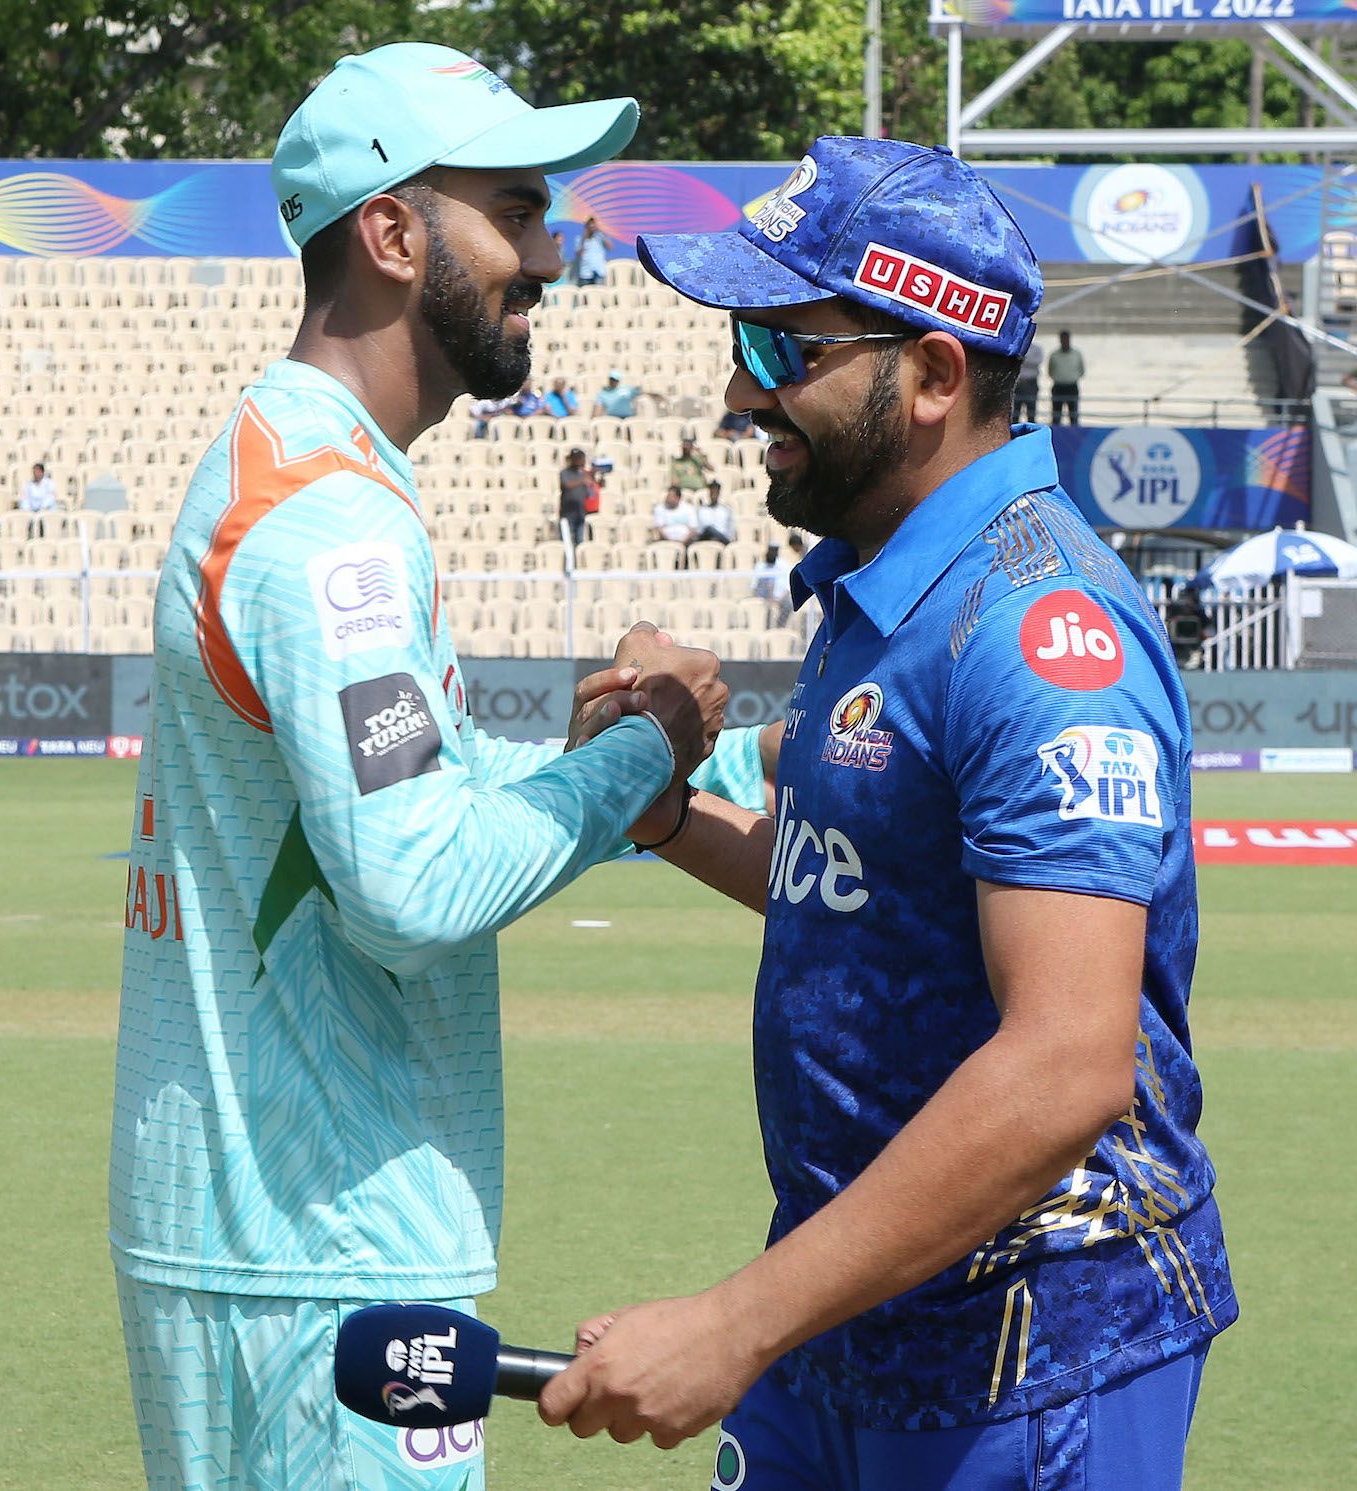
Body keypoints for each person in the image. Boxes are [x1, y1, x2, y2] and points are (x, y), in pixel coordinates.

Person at [107, 44, 774, 1491]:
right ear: (395, 235)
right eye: (517, 210)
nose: (551, 251)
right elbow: (410, 884)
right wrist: (644, 758)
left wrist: (615, 766)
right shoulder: (333, 526)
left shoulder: (289, 461)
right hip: (319, 1250)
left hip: (270, 1238)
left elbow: (410, 801)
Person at [538, 135, 1236, 1490]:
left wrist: (731, 1323)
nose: (742, 395)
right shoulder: (889, 580)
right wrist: (668, 814)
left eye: (781, 348)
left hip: (1033, 1360)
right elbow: (860, 881)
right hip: (852, 1324)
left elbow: (1068, 1062)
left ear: (932, 372)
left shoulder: (1041, 631)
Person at [558, 445, 593, 548]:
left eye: (580, 457)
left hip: (580, 513)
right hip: (567, 513)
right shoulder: (565, 473)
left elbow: (591, 491)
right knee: (566, 543)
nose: (579, 460)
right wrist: (582, 481)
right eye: (576, 458)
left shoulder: (584, 474)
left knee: (580, 543)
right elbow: (567, 484)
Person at [749, 541, 792, 624]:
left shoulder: (783, 565)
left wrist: (778, 599)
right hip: (763, 598)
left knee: (788, 606)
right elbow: (754, 586)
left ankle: (779, 627)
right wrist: (764, 598)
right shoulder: (760, 566)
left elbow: (787, 588)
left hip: (780, 597)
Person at [1049, 328, 1084, 424]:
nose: (1065, 341)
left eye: (1066, 339)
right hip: (1058, 387)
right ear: (1060, 340)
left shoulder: (1077, 354)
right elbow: (1050, 371)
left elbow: (1081, 370)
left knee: (1073, 415)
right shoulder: (1054, 355)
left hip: (1072, 387)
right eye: (1062, 339)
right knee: (1056, 416)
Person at [694, 480, 736, 545]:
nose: (714, 494)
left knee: (710, 529)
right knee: (708, 529)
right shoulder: (701, 509)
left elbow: (730, 529)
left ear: (719, 493)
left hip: (722, 539)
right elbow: (698, 529)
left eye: (715, 492)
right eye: (712, 491)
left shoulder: (726, 510)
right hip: (704, 538)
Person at [1013, 338, 1042, 424]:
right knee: (1016, 411)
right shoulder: (1017, 348)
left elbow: (1037, 361)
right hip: (1018, 383)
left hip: (1031, 383)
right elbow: (1014, 360)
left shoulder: (1036, 349)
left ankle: (1031, 433)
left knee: (1031, 411)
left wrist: (1023, 359)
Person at [574, 215, 609, 286]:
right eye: (589, 225)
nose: (591, 227)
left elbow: (610, 247)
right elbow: (578, 254)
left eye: (593, 225)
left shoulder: (600, 237)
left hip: (599, 271)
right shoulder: (580, 239)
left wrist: (600, 231)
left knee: (599, 294)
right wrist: (584, 238)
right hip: (586, 273)